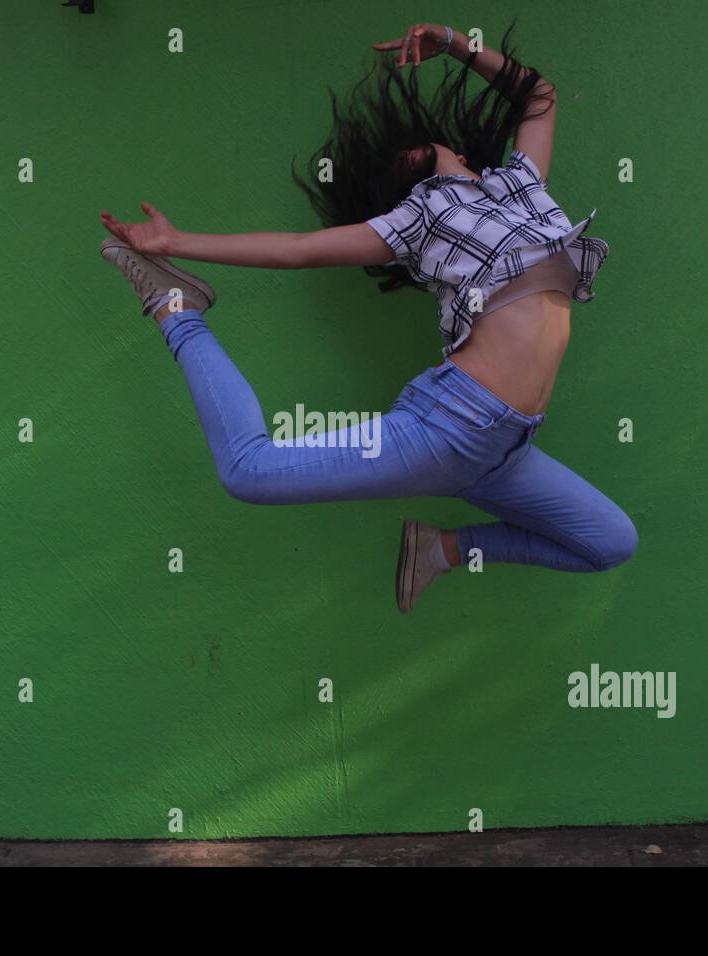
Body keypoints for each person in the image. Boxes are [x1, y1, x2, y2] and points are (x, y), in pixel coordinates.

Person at [100, 22, 637, 613]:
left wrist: (458, 46)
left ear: (450, 148)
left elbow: (538, 96)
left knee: (610, 543)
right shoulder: (417, 216)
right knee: (247, 471)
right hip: (451, 425)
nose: (401, 155)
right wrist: (178, 241)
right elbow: (298, 249)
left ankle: (440, 550)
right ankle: (177, 309)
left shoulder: (523, 184)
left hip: (504, 449)